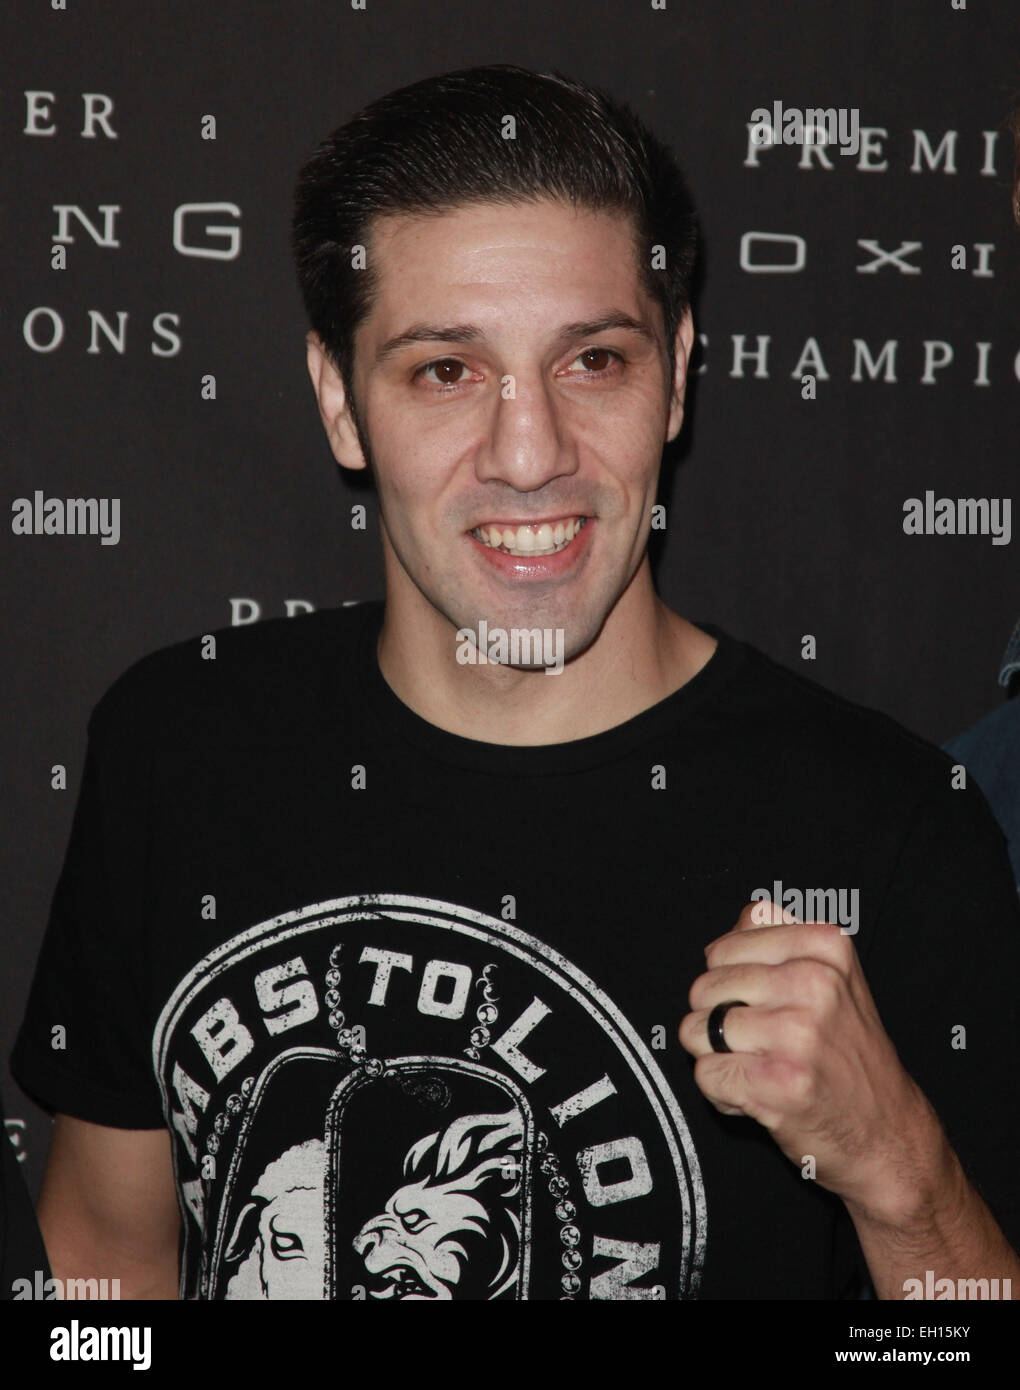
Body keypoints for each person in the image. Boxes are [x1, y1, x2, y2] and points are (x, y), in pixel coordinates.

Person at [10, 64, 1020, 1301]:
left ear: (680, 373)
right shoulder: (178, 745)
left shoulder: (897, 826)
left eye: (594, 360)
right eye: (446, 370)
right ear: (340, 401)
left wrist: (899, 1170)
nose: (531, 452)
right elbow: (103, 1269)